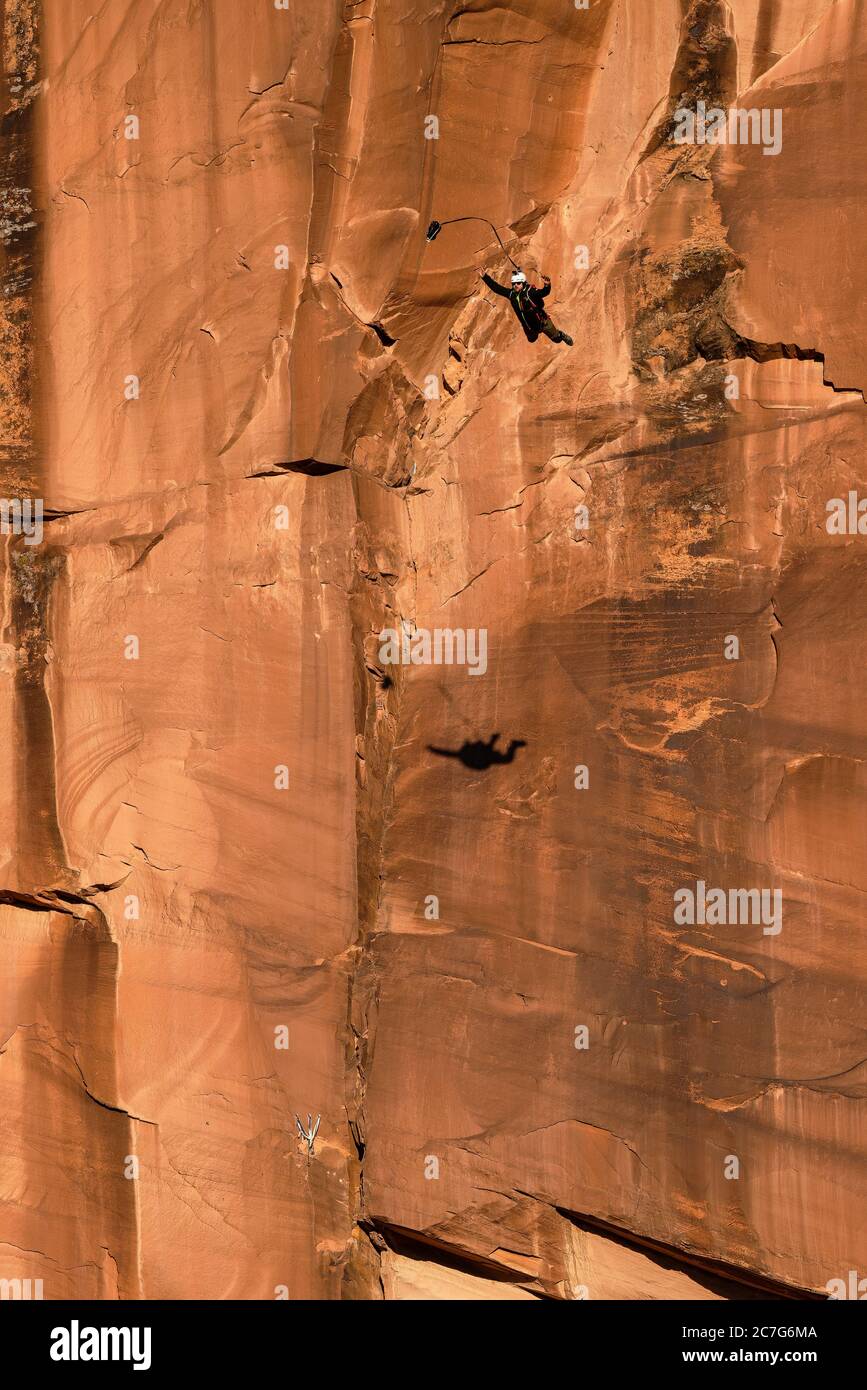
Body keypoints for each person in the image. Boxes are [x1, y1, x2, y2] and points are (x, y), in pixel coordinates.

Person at [479, 268, 573, 346]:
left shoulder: (530, 292)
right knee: (532, 340)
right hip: (529, 327)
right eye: (513, 284)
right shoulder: (512, 295)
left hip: (543, 322)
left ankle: (561, 335)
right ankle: (536, 334)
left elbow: (544, 292)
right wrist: (485, 277)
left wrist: (547, 285)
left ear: (523, 283)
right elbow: (497, 288)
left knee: (556, 339)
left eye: (518, 283)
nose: (515, 285)